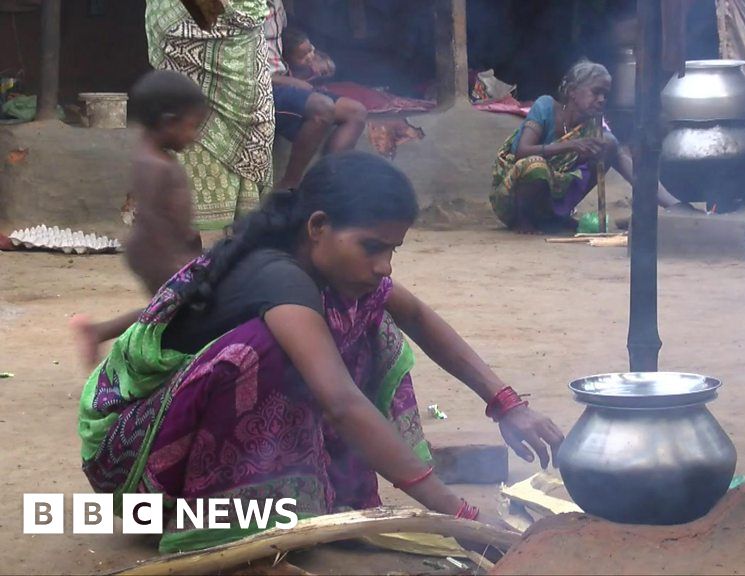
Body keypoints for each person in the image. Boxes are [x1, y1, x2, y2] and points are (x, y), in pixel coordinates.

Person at [78, 152, 565, 552]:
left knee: (371, 316)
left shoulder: (326, 271)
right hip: (131, 466)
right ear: (318, 226)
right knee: (264, 351)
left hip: (173, 443)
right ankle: (225, 523)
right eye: (372, 247)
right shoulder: (279, 278)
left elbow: (417, 315)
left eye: (392, 250)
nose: (384, 265)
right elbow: (341, 402)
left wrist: (506, 403)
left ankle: (309, 496)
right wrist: (461, 517)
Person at [70, 70, 207, 368]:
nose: (194, 136)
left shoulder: (154, 155)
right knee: (174, 313)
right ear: (168, 122)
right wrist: (177, 261)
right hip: (157, 252)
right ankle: (105, 338)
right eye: (192, 126)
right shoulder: (154, 164)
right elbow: (154, 218)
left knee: (168, 311)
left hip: (160, 249)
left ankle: (99, 332)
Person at [490, 60, 680, 234]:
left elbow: (630, 168)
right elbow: (521, 151)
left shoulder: (594, 126)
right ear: (572, 91)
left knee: (608, 144)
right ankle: (524, 221)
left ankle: (556, 216)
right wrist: (571, 145)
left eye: (605, 95)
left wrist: (675, 205)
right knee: (534, 165)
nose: (601, 99)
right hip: (512, 200)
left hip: (551, 198)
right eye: (596, 92)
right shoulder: (545, 107)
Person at [146, 0, 274, 232]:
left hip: (245, 81)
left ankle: (233, 237)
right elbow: (171, 25)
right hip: (192, 85)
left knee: (252, 133)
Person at [266, 0, 368, 189]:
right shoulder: (242, 10)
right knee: (322, 107)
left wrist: (316, 57)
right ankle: (289, 185)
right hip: (261, 88)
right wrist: (292, 82)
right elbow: (242, 71)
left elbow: (289, 39)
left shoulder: (276, 4)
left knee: (356, 112)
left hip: (283, 79)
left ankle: (326, 182)